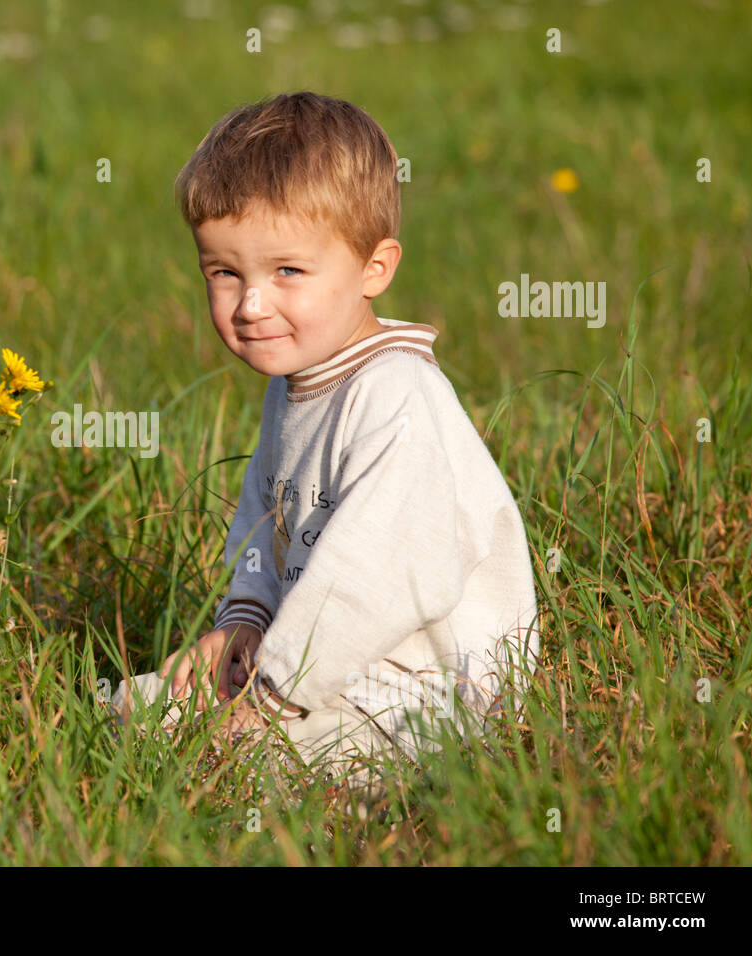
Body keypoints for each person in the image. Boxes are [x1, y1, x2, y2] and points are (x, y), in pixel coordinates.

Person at [112, 92, 540, 810]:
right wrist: (242, 623)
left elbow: (376, 581)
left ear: (375, 268)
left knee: (235, 760)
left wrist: (270, 698)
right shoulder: (298, 382)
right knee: (135, 707)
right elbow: (266, 519)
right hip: (322, 665)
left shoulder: (396, 396)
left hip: (431, 690)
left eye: (287, 272)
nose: (250, 305)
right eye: (224, 272)